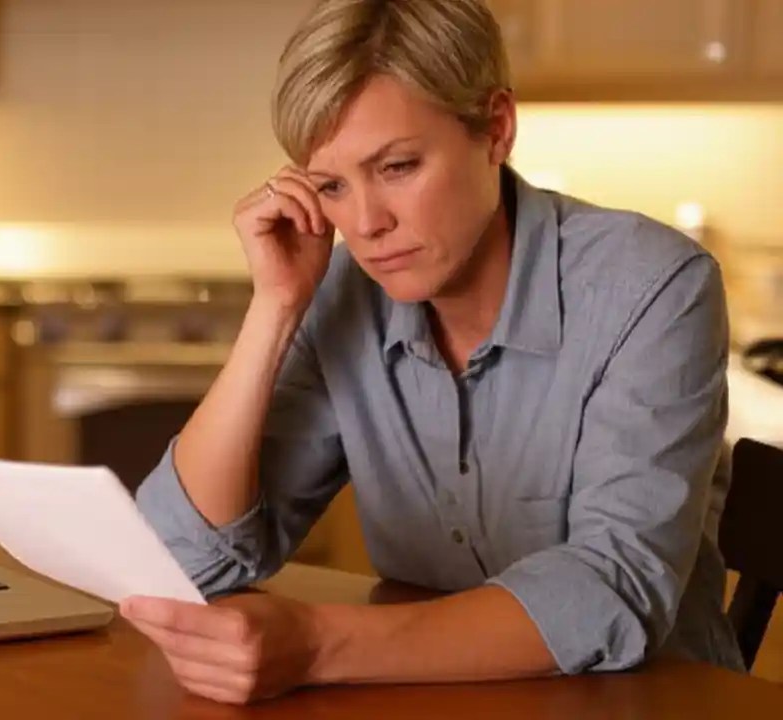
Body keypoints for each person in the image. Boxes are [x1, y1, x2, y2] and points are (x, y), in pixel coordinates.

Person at [119, 0, 743, 705]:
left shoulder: (653, 287)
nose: (365, 223)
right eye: (331, 186)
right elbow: (181, 559)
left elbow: (611, 588)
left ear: (496, 129)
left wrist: (320, 644)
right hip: (431, 695)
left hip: (650, 703)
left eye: (398, 166)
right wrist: (276, 308)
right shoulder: (341, 294)